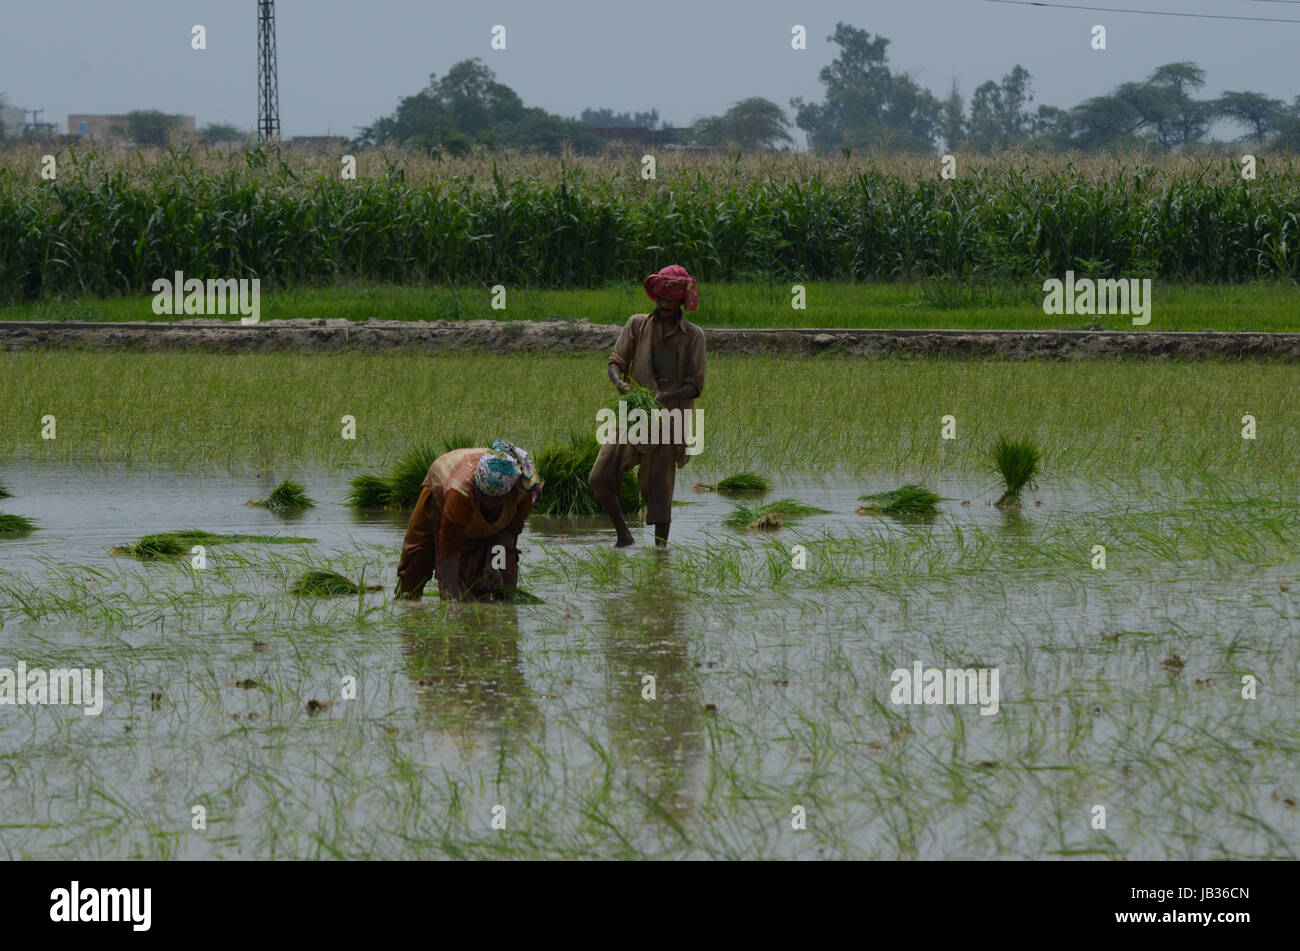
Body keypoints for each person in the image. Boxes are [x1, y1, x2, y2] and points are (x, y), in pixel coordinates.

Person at [589, 264, 707, 547]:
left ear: (681, 301)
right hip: (632, 418)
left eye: (671, 299)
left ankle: (660, 553)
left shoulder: (693, 337)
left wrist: (665, 397)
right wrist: (620, 384)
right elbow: (615, 362)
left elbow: (696, 386)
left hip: (669, 424)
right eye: (661, 298)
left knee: (659, 495)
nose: (664, 304)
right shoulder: (637, 325)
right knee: (600, 478)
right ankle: (624, 536)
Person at [394, 440, 543, 601]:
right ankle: (407, 605)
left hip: (487, 510)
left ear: (507, 495)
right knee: (418, 560)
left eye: (495, 500)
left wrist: (493, 565)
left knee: (501, 577)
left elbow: (507, 535)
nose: (488, 503)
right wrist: (453, 595)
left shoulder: (522, 495)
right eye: (483, 496)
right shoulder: (459, 494)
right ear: (476, 485)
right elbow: (448, 552)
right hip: (442, 483)